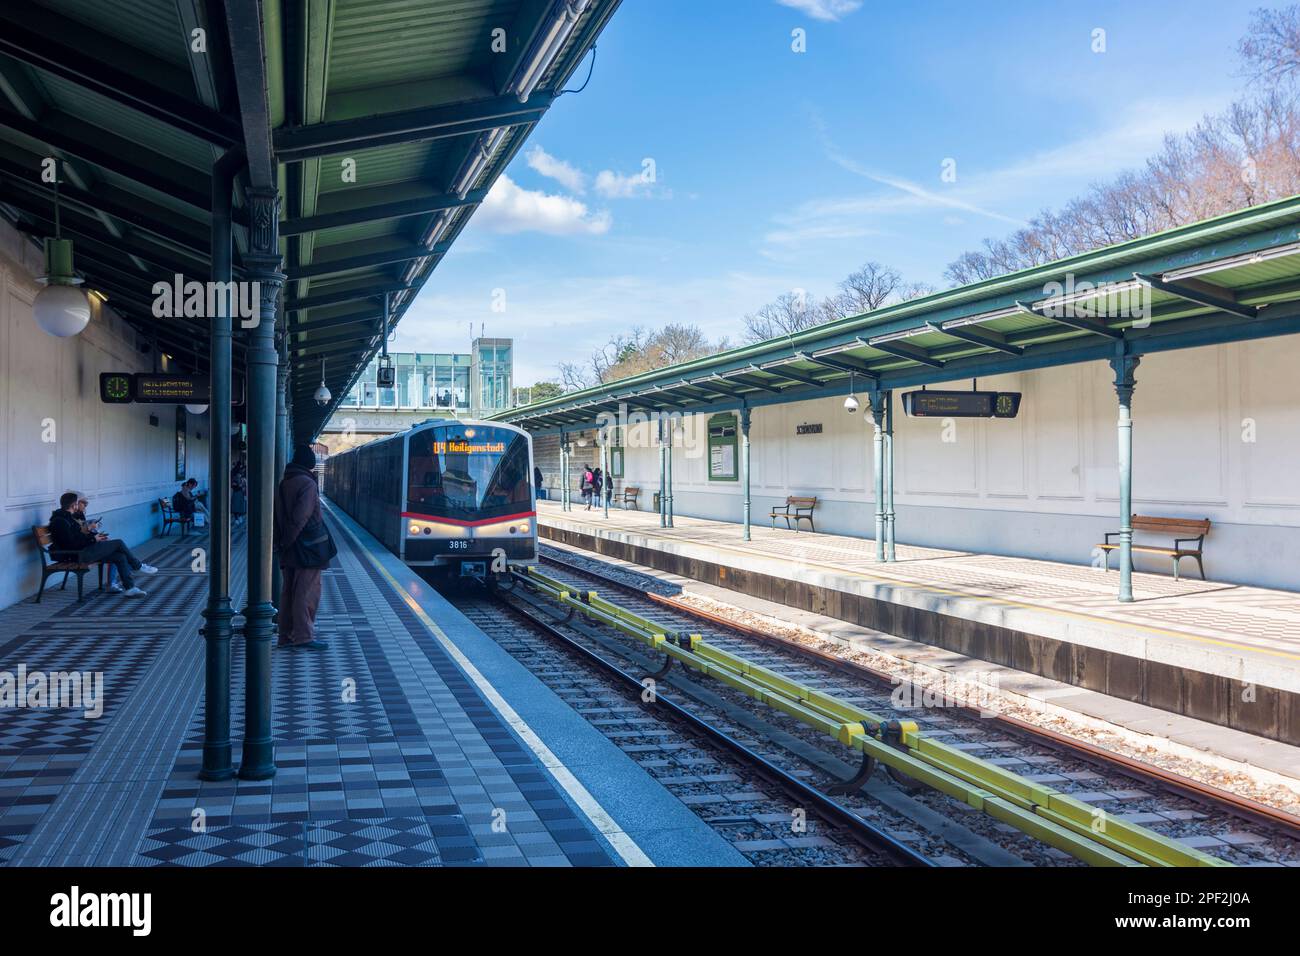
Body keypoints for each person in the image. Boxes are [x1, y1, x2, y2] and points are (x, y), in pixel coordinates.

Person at [48, 491, 157, 597]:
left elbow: (78, 537)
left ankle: (130, 588)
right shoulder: (60, 521)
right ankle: (137, 565)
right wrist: (93, 539)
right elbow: (72, 544)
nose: (78, 506)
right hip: (77, 554)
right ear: (73, 504)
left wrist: (94, 537)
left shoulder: (67, 518)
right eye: (77, 503)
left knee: (120, 556)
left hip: (82, 551)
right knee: (118, 543)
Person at [274, 444, 328, 649]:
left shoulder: (285, 482)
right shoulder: (307, 483)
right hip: (307, 548)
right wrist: (288, 541)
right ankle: (304, 636)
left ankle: (285, 636)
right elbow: (301, 518)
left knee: (288, 592)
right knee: (307, 591)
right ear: (309, 463)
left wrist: (282, 542)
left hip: (289, 547)